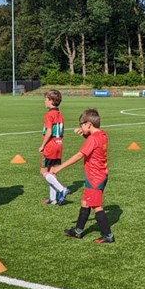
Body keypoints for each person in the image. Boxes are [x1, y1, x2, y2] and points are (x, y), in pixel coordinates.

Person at [53, 108, 115, 244]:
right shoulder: (102, 134)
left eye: (81, 124)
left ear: (89, 124)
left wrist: (59, 167)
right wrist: (84, 134)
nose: (80, 126)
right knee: (85, 202)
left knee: (96, 206)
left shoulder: (92, 139)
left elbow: (79, 155)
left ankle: (108, 235)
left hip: (95, 178)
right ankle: (78, 231)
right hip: (100, 175)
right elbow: (94, 142)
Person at [38, 90, 69, 205]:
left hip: (50, 145)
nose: (44, 101)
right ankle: (53, 199)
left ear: (51, 101)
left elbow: (49, 131)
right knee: (52, 172)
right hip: (59, 144)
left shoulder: (48, 114)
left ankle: (62, 189)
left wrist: (42, 145)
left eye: (46, 99)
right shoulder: (60, 114)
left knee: (44, 172)